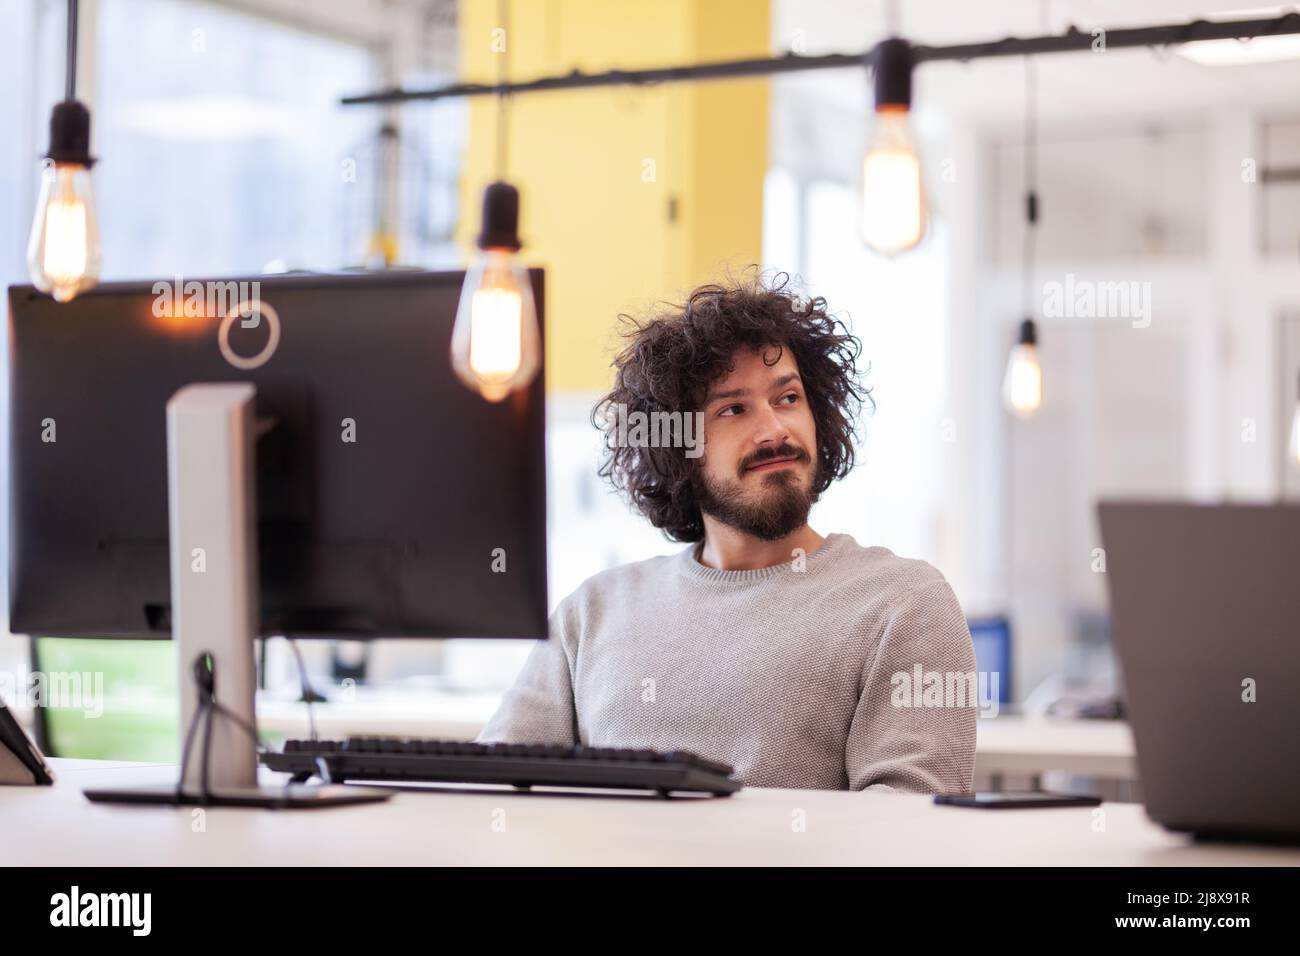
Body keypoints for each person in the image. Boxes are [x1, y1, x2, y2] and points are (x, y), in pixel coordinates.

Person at [478, 276, 976, 792]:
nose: (774, 430)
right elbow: (492, 786)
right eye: (733, 409)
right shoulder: (591, 613)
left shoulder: (904, 604)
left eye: (787, 397)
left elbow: (909, 831)